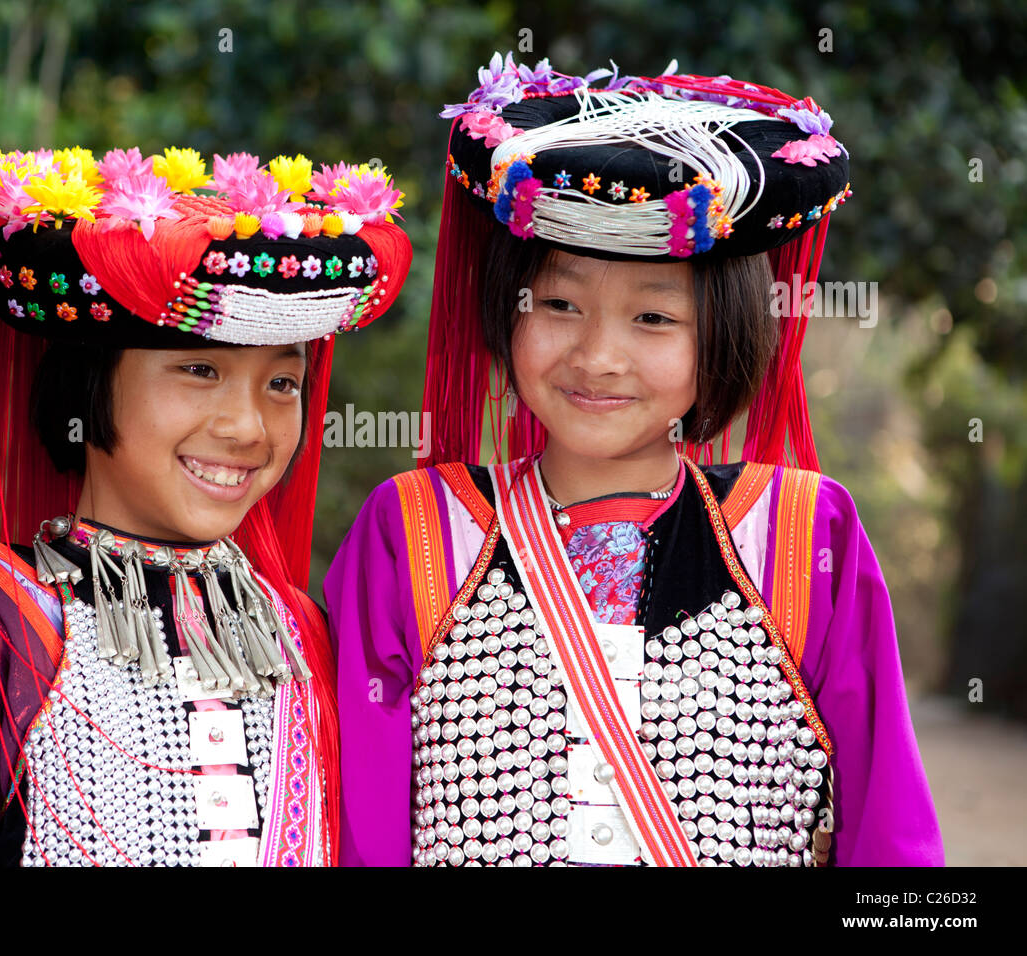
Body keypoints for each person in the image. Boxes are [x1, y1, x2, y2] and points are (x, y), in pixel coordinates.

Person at [325, 56, 943, 867]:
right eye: (559, 304)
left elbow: (890, 838)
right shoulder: (415, 531)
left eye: (654, 316)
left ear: (724, 337)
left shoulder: (801, 534)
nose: (599, 356)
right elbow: (363, 832)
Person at [0, 145, 410, 866]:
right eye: (200, 370)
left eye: (283, 385)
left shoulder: (305, 635)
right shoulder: (3, 617)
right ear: (87, 383)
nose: (248, 428)